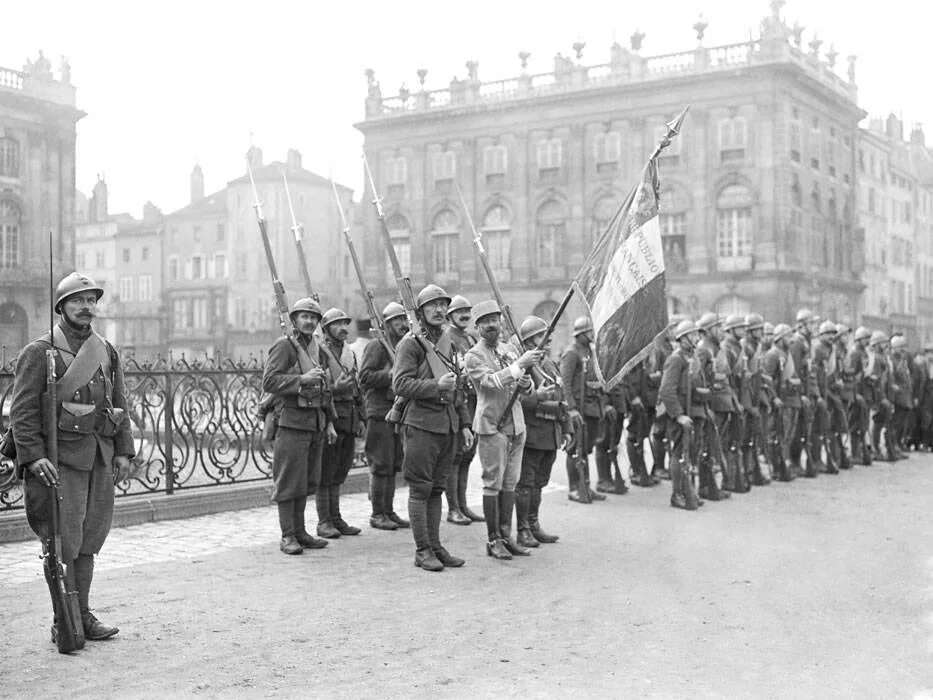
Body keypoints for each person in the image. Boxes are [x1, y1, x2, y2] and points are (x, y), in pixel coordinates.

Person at [11, 272, 135, 642]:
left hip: (99, 455)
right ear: (62, 306)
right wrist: (33, 457)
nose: (86, 307)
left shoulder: (106, 350)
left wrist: (124, 451)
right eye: (78, 300)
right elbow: (23, 412)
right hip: (60, 459)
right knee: (63, 542)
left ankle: (82, 615)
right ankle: (62, 619)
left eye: (91, 300)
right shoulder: (39, 351)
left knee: (90, 539)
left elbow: (119, 402)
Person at [393, 284, 473, 572]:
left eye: (443, 305)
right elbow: (399, 384)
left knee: (437, 489)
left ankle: (436, 545)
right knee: (420, 489)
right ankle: (422, 549)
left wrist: (464, 423)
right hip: (421, 425)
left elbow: (459, 387)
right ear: (421, 311)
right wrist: (434, 386)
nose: (439, 310)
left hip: (447, 425)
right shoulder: (410, 344)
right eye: (432, 305)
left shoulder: (449, 342)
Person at [465, 301, 542, 559]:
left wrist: (526, 381)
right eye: (484, 321)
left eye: (494, 320)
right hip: (492, 426)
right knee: (493, 483)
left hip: (516, 425)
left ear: (501, 322)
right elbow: (491, 382)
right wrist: (519, 365)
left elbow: (524, 388)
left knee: (510, 483)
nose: (491, 325)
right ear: (476, 327)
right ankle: (493, 540)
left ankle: (506, 536)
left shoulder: (508, 350)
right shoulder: (473, 356)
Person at [261, 297, 335, 555]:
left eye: (313, 318)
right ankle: (287, 535)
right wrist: (301, 379)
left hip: (313, 422)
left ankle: (301, 531)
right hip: (291, 422)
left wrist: (329, 422)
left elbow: (325, 387)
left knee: (305, 481)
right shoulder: (285, 346)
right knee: (288, 481)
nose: (309, 321)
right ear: (293, 320)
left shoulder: (315, 347)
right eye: (304, 316)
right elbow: (269, 381)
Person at [515, 316, 572, 547]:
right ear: (529, 343)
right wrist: (540, 399)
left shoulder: (548, 364)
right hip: (532, 431)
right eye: (541, 337)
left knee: (540, 482)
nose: (547, 341)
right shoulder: (524, 365)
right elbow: (518, 400)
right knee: (526, 483)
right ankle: (523, 529)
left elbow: (563, 396)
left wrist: (566, 428)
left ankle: (534, 524)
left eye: (547, 336)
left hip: (550, 432)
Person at [359, 302, 410, 531]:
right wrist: (388, 375)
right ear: (387, 324)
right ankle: (377, 514)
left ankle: (388, 511)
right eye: (397, 320)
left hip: (397, 413)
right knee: (380, 464)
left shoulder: (402, 346)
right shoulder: (377, 346)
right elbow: (365, 377)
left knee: (392, 464)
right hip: (380, 412)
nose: (402, 324)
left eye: (404, 319)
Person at [317, 308, 366, 538]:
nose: (343, 328)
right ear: (326, 329)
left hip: (348, 417)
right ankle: (324, 520)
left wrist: (362, 417)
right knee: (326, 471)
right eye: (337, 324)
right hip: (331, 415)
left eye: (345, 323)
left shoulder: (349, 353)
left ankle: (336, 518)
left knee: (340, 471)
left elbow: (357, 389)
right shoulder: (320, 353)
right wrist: (336, 388)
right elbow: (319, 389)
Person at [443, 294, 483, 525]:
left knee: (468, 455)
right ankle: (453, 508)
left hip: (474, 401)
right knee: (456, 455)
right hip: (458, 401)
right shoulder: (448, 338)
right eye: (460, 312)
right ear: (450, 315)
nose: (465, 315)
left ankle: (464, 505)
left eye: (468, 311)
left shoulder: (469, 338)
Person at [559, 316, 608, 503]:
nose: (592, 334)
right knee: (575, 449)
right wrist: (571, 409)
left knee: (586, 449)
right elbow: (565, 383)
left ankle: (585, 484)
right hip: (578, 408)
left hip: (591, 406)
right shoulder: (572, 353)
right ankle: (574, 488)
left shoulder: (589, 351)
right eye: (589, 332)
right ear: (580, 333)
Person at [658, 319, 702, 510]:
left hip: (693, 412)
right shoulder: (676, 359)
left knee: (690, 453)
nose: (695, 338)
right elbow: (666, 390)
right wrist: (678, 415)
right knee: (679, 454)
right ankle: (677, 494)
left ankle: (688, 490)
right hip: (680, 414)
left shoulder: (692, 357)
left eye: (696, 334)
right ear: (682, 339)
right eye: (691, 335)